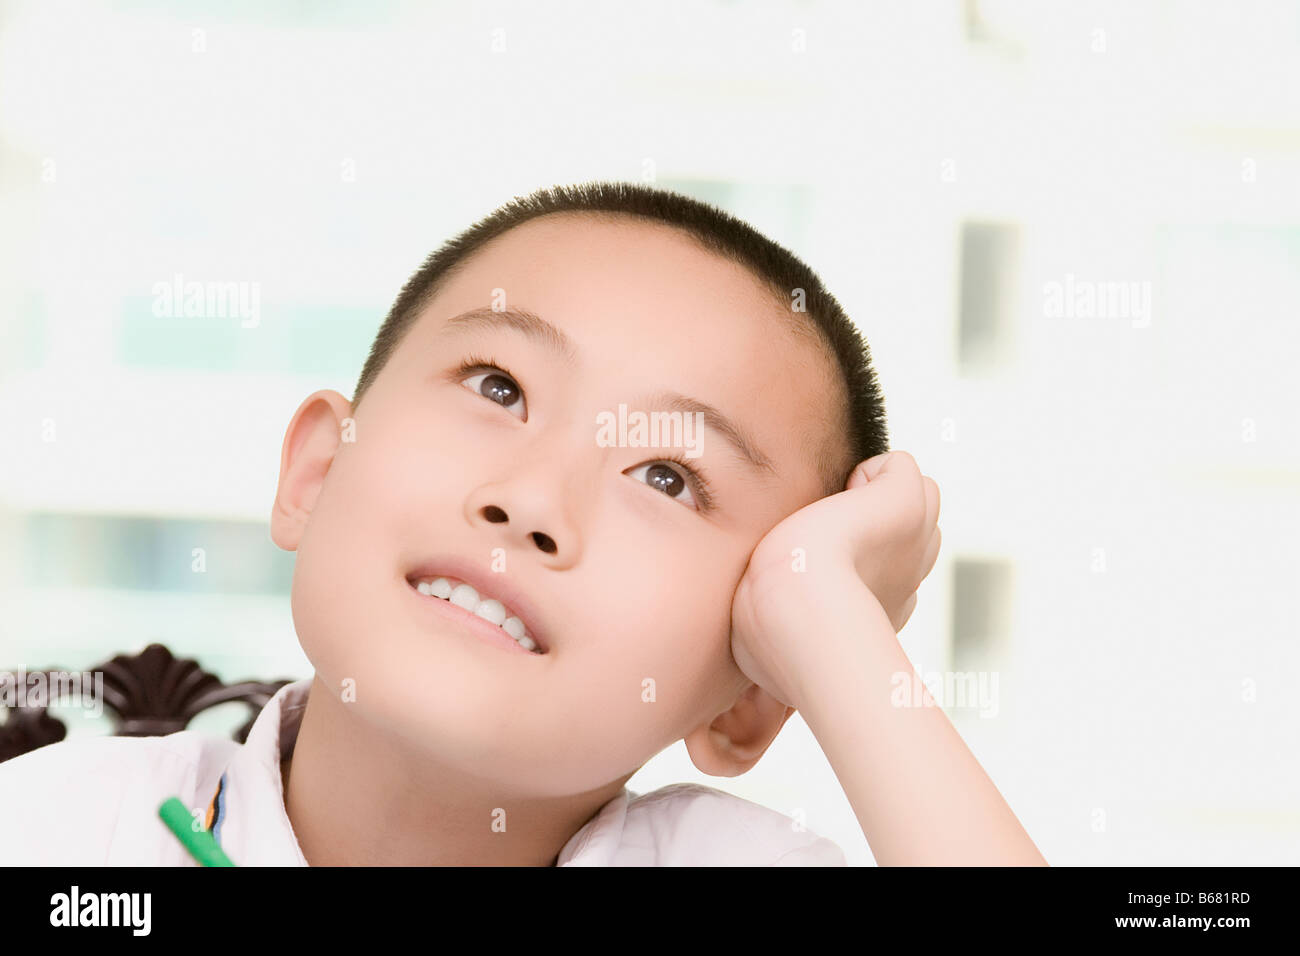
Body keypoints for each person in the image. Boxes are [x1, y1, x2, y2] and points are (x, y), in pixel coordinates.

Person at [0, 181, 1044, 866]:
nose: (533, 499)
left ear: (749, 698)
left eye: (669, 476)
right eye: (498, 384)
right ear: (318, 471)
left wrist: (830, 621)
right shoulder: (57, 832)